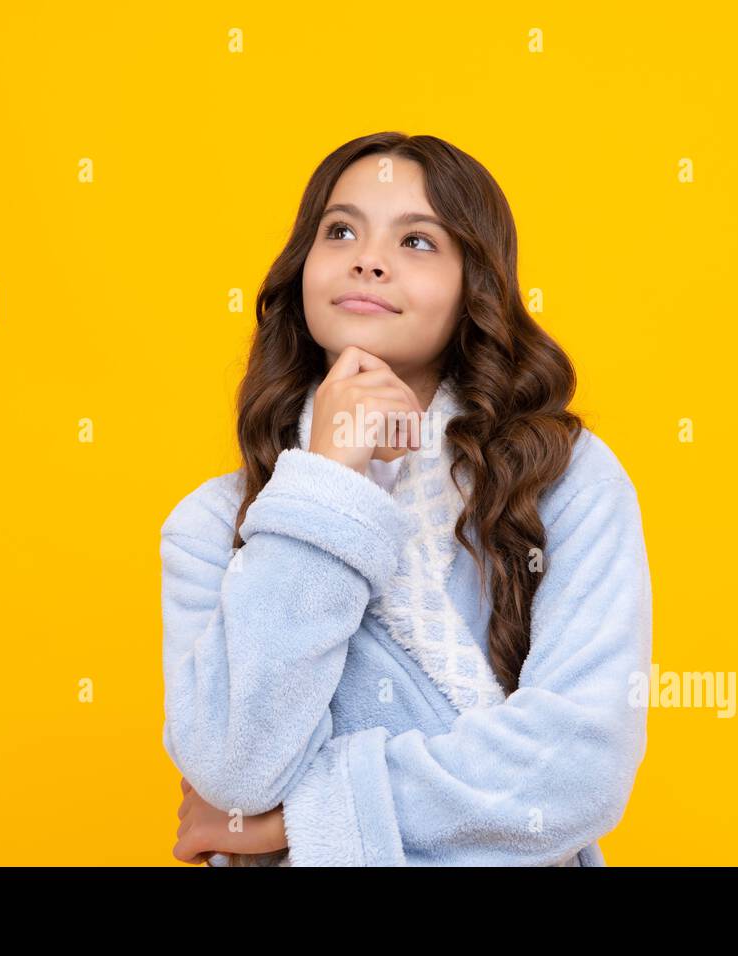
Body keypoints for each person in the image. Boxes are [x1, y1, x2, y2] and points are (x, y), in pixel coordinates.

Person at [162, 131, 653, 866]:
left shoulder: (562, 480)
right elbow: (233, 769)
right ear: (303, 269)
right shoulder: (210, 526)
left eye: (418, 241)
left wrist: (297, 819)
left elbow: (579, 769)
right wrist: (328, 478)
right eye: (340, 230)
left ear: (472, 289)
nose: (368, 257)